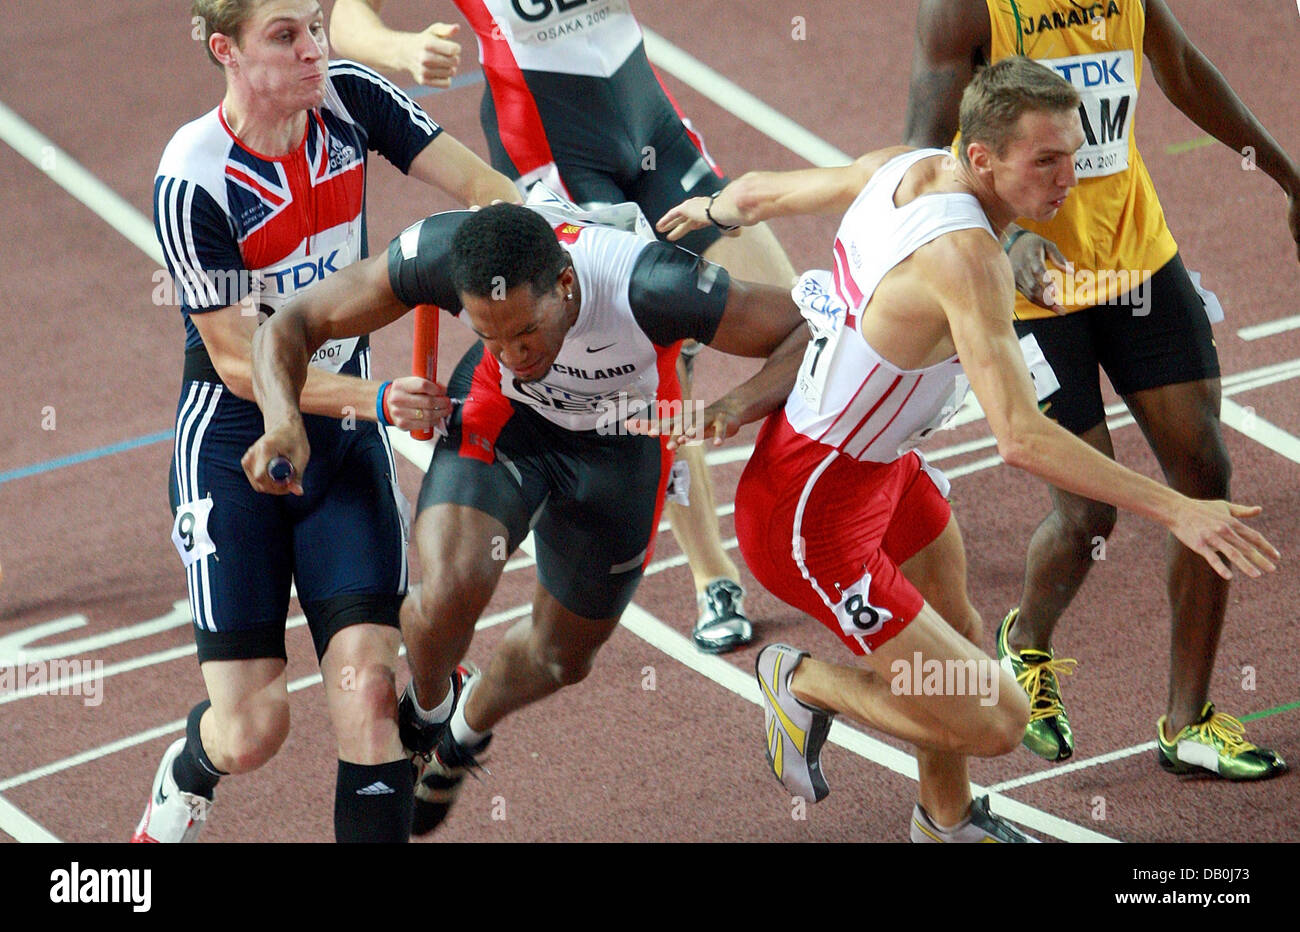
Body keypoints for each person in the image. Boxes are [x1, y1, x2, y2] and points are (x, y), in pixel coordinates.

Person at [655, 56, 1278, 841]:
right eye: (1045, 161)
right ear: (981, 158)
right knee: (994, 720)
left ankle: (943, 822)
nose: (1069, 178)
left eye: (1073, 153)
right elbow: (1019, 437)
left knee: (955, 621)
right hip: (808, 512)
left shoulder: (906, 165)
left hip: (879, 468)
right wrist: (1177, 507)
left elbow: (760, 193)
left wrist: (712, 207)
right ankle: (802, 682)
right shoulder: (970, 260)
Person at [242, 201, 807, 834]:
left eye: (524, 335)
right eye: (488, 335)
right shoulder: (443, 250)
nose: (512, 353)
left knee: (563, 660)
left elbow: (806, 327)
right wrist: (284, 423)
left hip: (624, 447)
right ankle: (431, 710)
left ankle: (464, 731)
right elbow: (287, 326)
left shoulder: (650, 285)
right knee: (450, 587)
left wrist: (733, 404)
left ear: (566, 285)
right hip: (505, 424)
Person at [132, 0, 519, 844]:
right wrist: (376, 401)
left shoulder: (349, 97)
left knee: (368, 692)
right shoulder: (193, 174)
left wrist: (526, 253)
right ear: (225, 50)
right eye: (286, 35)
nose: (315, 50)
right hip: (235, 443)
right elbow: (242, 361)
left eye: (315, 24)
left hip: (341, 441)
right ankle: (189, 771)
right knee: (252, 731)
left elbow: (488, 191)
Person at [328, 0, 801, 653]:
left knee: (802, 314)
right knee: (658, 352)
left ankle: (846, 490)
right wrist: (400, 49)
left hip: (652, 131)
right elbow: (347, 16)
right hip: (555, 159)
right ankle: (712, 576)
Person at [903, 0, 1296, 777]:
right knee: (1089, 512)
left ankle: (1188, 722)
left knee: (1205, 474)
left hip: (1135, 265)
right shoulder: (964, 8)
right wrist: (1006, 237)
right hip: (1024, 289)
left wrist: (1288, 174)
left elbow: (1179, 70)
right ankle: (1026, 642)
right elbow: (916, 156)